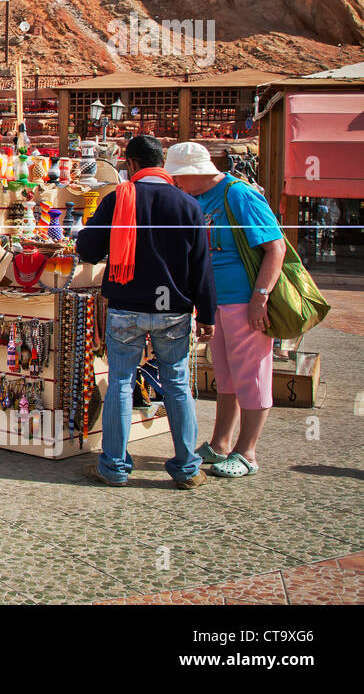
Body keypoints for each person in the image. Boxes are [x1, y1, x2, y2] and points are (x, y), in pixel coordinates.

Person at [76, 135, 215, 490]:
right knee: (178, 385)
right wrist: (208, 315)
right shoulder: (188, 205)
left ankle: (114, 467)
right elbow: (201, 266)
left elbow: (87, 250)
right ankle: (186, 469)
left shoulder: (117, 200)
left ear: (132, 164)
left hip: (127, 306)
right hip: (175, 309)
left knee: (121, 383)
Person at [166, 141, 285, 478]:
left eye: (178, 177)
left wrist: (260, 297)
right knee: (227, 375)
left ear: (193, 173)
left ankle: (247, 451)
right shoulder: (198, 198)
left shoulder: (239, 194)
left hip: (243, 299)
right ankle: (221, 443)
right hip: (216, 300)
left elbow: (276, 248)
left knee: (252, 375)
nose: (176, 183)